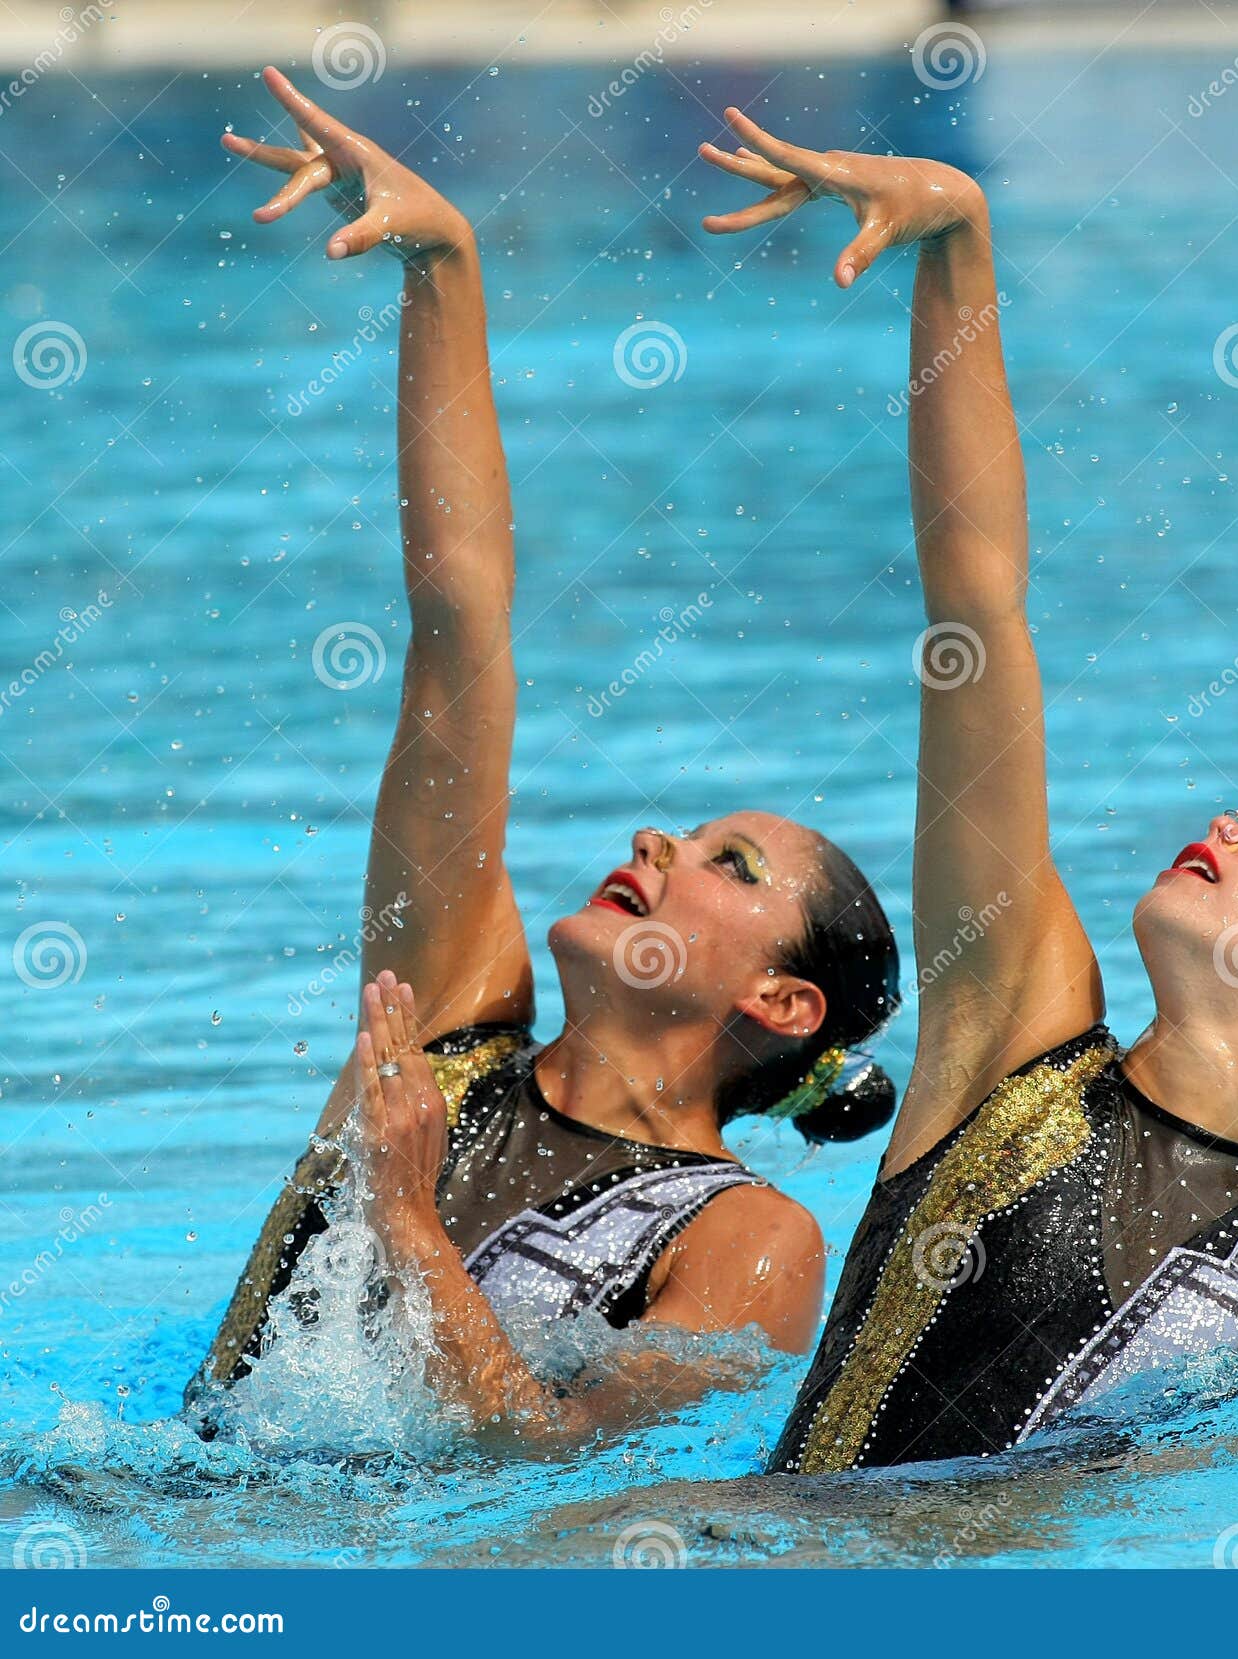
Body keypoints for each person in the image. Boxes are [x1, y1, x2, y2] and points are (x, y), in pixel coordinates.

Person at [686, 109, 1238, 1474]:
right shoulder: (1013, 1034)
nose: (1236, 827)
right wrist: (958, 243)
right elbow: (978, 604)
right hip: (756, 1562)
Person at [186, 73, 900, 1436]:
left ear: (785, 1003)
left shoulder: (752, 1240)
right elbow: (460, 628)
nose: (653, 844)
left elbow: (542, 1465)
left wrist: (402, 1213)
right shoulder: (448, 1015)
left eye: (722, 864)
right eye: (683, 835)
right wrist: (442, 264)